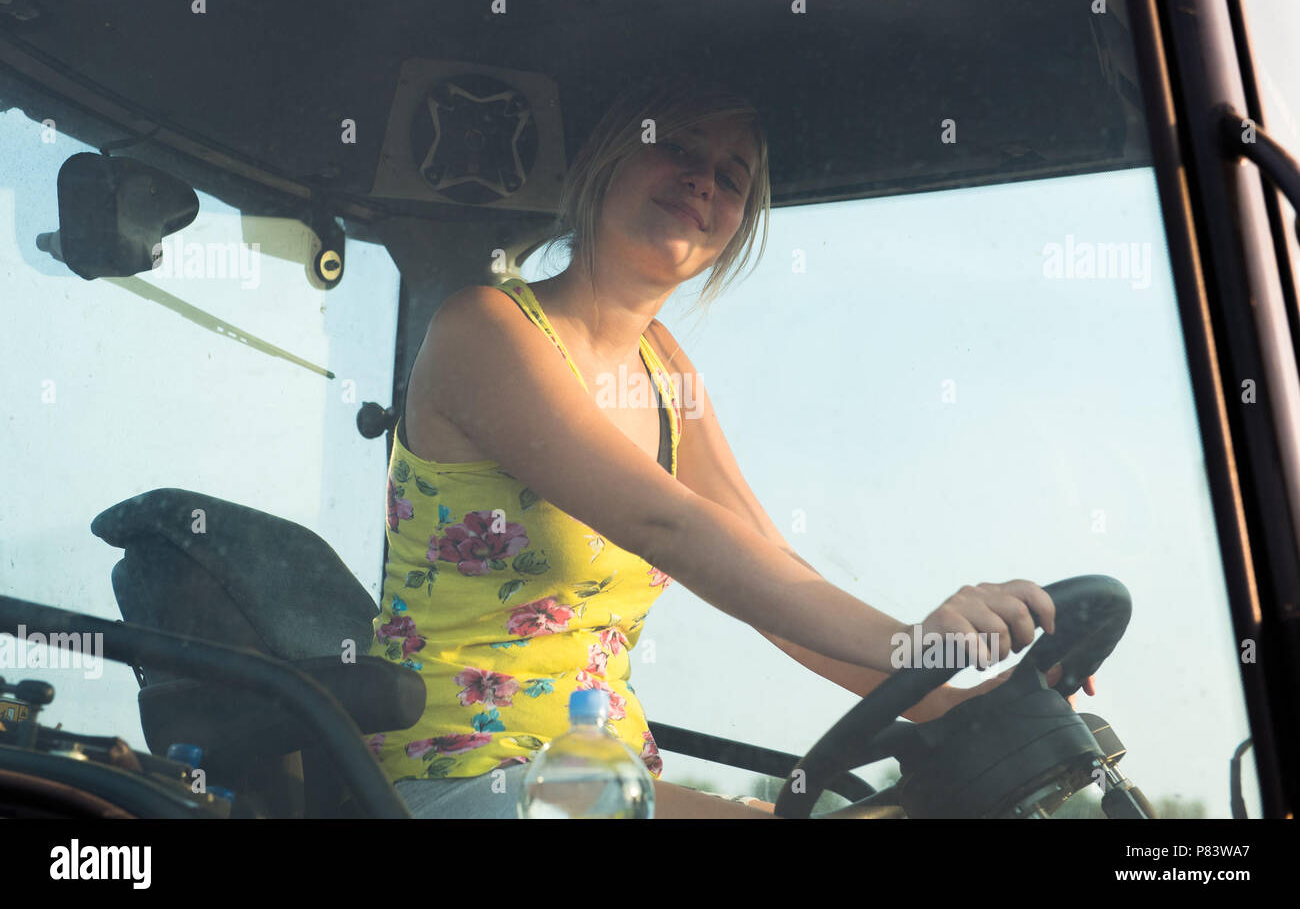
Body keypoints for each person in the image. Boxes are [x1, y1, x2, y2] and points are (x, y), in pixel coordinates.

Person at [363, 72, 1094, 819]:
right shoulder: (484, 330)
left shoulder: (666, 368)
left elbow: (771, 581)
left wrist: (960, 700)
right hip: (456, 777)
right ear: (606, 160)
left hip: (599, 781)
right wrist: (914, 642)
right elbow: (671, 527)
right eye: (676, 147)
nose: (701, 180)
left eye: (731, 175)